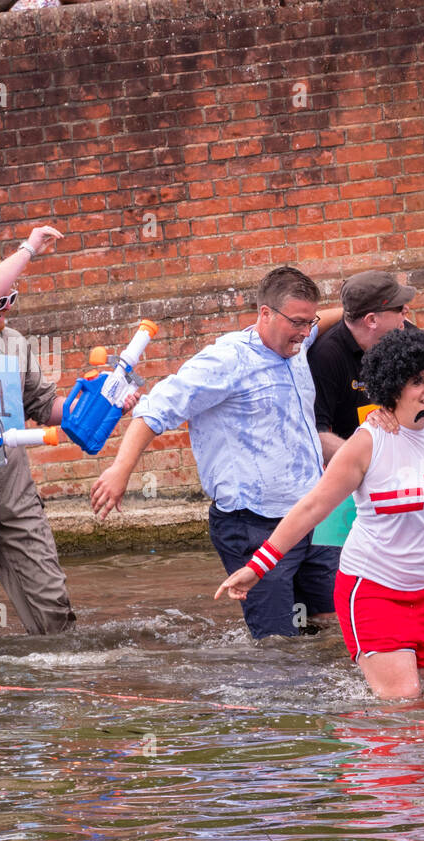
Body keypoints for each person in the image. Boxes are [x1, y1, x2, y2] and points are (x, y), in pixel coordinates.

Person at [91, 267, 341, 640]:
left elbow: (327, 322)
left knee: (331, 624)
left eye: (310, 321)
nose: (306, 332)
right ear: (265, 314)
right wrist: (120, 471)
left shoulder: (297, 344)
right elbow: (155, 409)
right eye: (298, 322)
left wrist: (363, 312)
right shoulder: (226, 361)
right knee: (277, 644)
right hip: (253, 522)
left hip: (311, 515)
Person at [215, 328, 424, 699]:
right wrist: (258, 567)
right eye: (416, 381)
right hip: (373, 588)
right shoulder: (368, 442)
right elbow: (312, 506)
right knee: (404, 706)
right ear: (392, 386)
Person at [0, 224, 94, 639]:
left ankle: (58, 670)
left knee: (52, 602)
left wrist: (95, 406)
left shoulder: (14, 341)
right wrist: (29, 248)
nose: (7, 308)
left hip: (12, 481)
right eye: (0, 299)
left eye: (13, 299)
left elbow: (42, 405)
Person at [308, 270, 424, 462]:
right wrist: (375, 461)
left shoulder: (406, 333)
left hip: (416, 460)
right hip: (361, 475)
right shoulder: (326, 356)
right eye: (398, 308)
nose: (406, 310)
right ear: (371, 320)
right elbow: (316, 436)